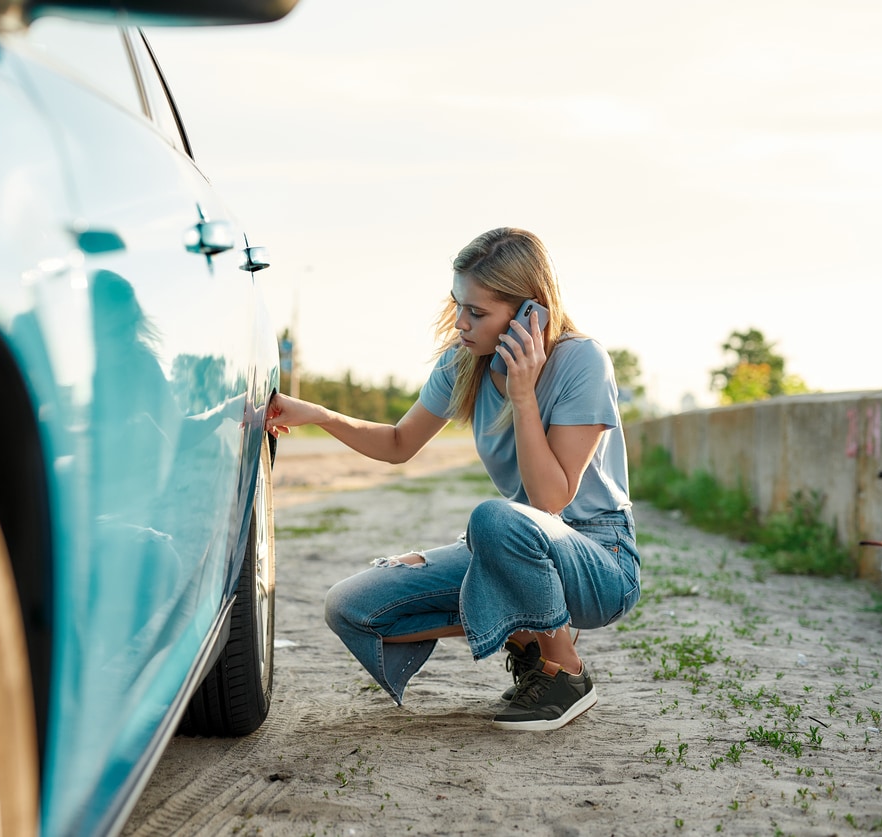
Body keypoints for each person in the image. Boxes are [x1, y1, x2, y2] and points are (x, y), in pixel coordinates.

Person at [264, 227, 640, 731]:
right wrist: (325, 417)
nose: (462, 324)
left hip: (599, 559)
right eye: (458, 305)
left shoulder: (581, 361)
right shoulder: (465, 363)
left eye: (478, 313)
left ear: (531, 312)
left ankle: (565, 673)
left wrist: (524, 395)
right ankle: (526, 634)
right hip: (513, 546)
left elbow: (551, 498)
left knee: (495, 518)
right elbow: (399, 444)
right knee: (351, 606)